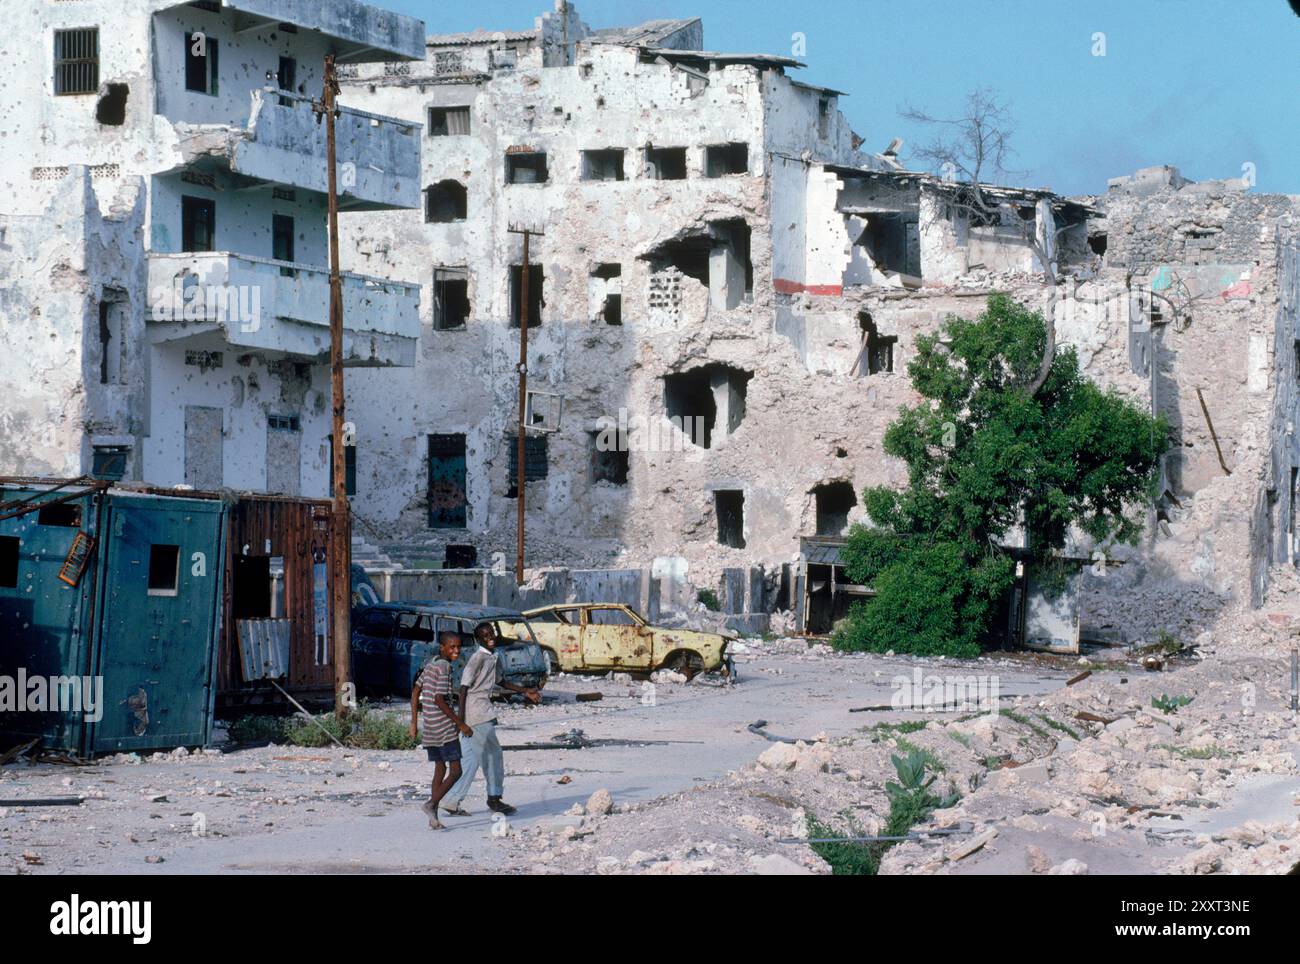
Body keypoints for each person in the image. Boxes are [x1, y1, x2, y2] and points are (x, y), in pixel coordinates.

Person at [441, 622, 541, 817]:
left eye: (492, 633)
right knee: (493, 755)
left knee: (469, 760)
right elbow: (463, 689)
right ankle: (494, 798)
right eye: (485, 636)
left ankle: (451, 800)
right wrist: (460, 721)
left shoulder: (492, 656)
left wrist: (525, 692)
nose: (491, 637)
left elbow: (500, 681)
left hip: (479, 712)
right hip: (476, 714)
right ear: (479, 639)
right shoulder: (477, 658)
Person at [410, 631, 472, 830]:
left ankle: (433, 819)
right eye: (452, 647)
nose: (456, 651)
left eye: (458, 647)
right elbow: (439, 699)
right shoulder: (444, 667)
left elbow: (415, 691)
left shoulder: (431, 664)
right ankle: (431, 804)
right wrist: (460, 724)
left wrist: (414, 723)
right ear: (442, 648)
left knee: (440, 769)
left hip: (430, 727)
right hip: (444, 727)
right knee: (456, 771)